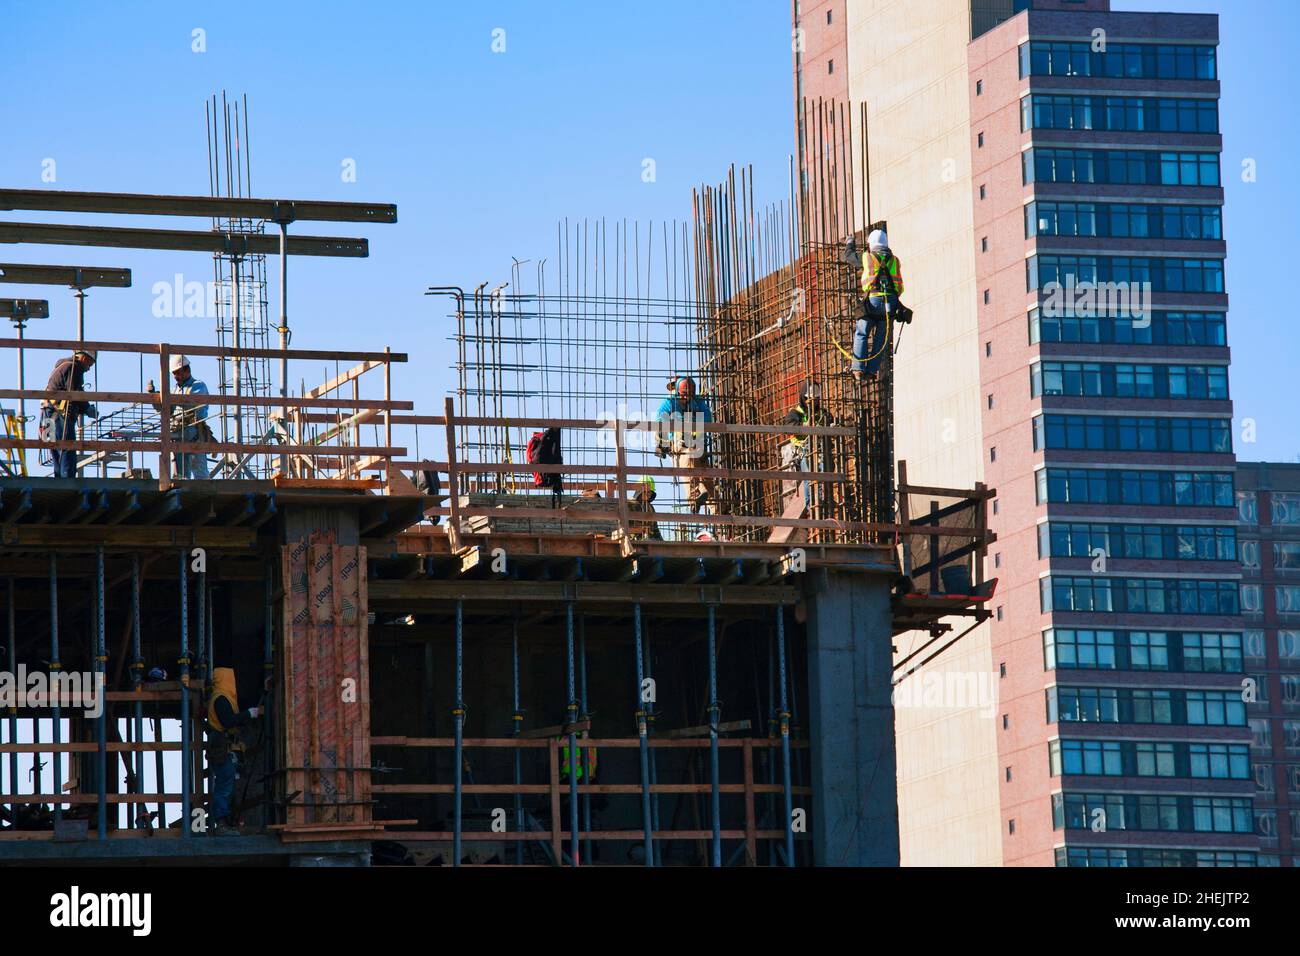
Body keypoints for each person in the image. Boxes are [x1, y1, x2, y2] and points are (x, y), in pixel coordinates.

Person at [843, 229, 905, 381]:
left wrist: (850, 243)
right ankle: (872, 371)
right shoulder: (895, 260)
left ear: (870, 244)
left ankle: (858, 368)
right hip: (890, 304)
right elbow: (900, 287)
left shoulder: (868, 257)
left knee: (862, 332)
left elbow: (849, 257)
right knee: (881, 339)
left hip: (873, 300)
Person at [206, 664, 261, 832]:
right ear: (227, 680)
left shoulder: (225, 698)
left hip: (224, 747)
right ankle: (221, 822)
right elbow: (228, 721)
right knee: (224, 784)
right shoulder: (221, 698)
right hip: (221, 748)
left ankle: (226, 821)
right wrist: (248, 714)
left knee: (228, 784)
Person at [655, 376, 716, 514]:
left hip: (697, 444)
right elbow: (660, 419)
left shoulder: (697, 402)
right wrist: (661, 442)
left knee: (705, 475)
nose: (686, 396)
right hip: (679, 446)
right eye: (683, 393)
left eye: (689, 393)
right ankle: (694, 499)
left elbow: (707, 417)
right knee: (688, 461)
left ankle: (718, 510)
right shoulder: (670, 402)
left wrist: (694, 422)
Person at [39, 349, 98, 477]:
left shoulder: (62, 366)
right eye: (90, 365)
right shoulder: (73, 368)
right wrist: (87, 408)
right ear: (84, 359)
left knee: (54, 446)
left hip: (47, 412)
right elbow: (74, 394)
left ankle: (59, 477)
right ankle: (67, 478)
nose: (88, 369)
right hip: (58, 414)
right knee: (67, 446)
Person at [780, 382, 833, 513]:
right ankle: (812, 505)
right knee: (809, 474)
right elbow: (788, 426)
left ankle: (824, 500)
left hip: (821, 451)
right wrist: (805, 426)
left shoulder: (823, 413)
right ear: (803, 398)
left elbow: (831, 422)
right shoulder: (795, 413)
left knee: (825, 470)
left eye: (815, 400)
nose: (812, 403)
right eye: (809, 400)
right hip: (803, 453)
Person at [168, 354, 212, 479]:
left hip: (194, 432)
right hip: (177, 433)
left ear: (187, 370)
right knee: (180, 475)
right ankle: (181, 491)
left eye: (178, 373)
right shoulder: (174, 389)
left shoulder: (198, 386)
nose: (176, 377)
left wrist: (170, 399)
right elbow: (167, 410)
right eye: (174, 373)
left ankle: (204, 493)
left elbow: (191, 403)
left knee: (200, 472)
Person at [630, 476, 663, 541]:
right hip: (634, 540)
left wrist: (662, 542)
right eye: (646, 492)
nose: (648, 495)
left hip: (649, 539)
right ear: (639, 492)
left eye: (650, 492)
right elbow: (628, 526)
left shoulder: (650, 508)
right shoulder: (630, 504)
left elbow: (655, 528)